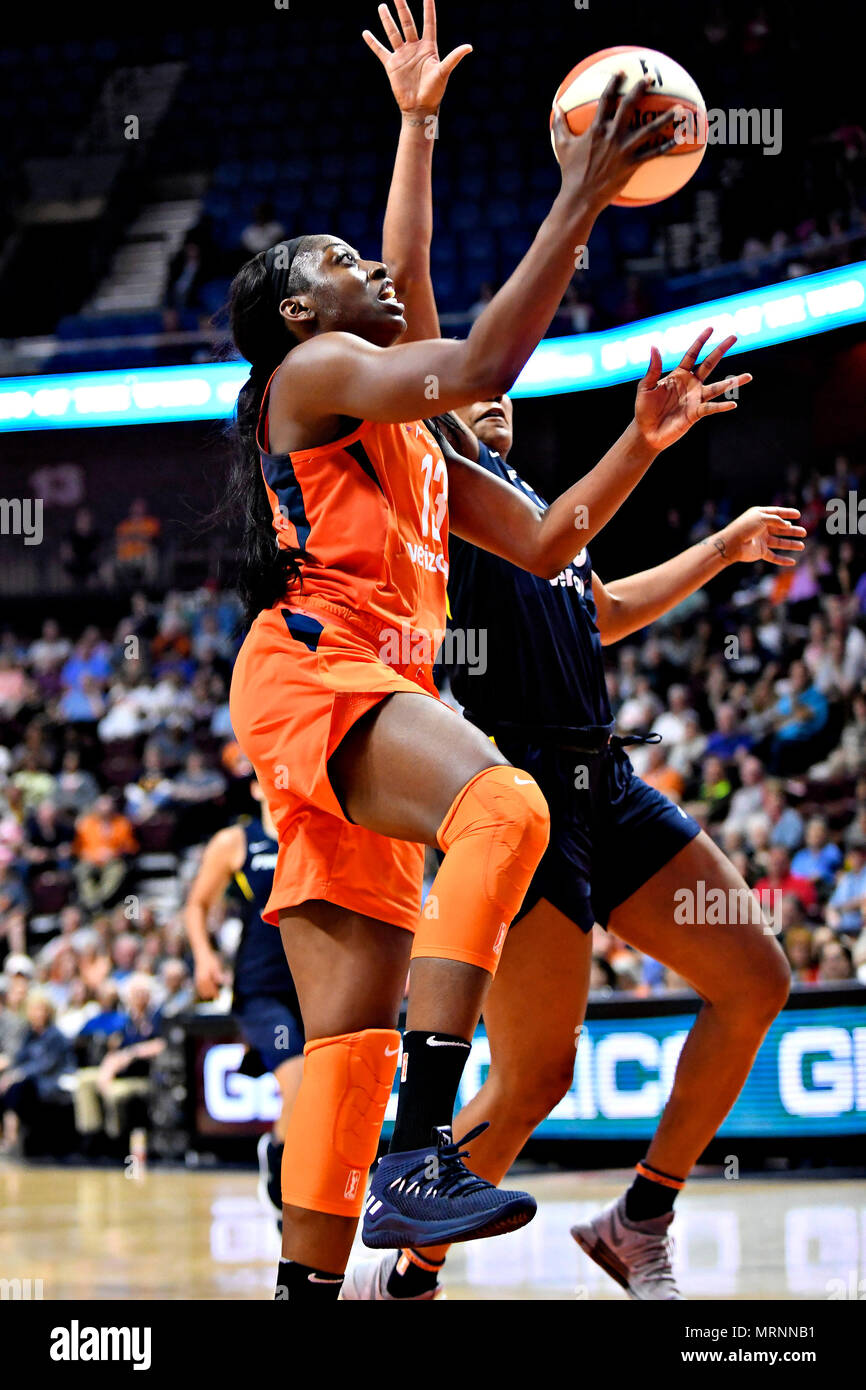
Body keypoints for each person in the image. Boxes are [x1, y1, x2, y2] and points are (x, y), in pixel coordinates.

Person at [225, 0, 697, 1300]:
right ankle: (424, 1150)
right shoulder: (311, 374)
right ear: (290, 311)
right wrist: (578, 201)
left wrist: (643, 442)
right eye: (330, 259)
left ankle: (307, 1285)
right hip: (318, 670)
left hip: (356, 696)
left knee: (348, 1043)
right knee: (504, 804)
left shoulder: (425, 453)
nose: (361, 273)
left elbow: (552, 544)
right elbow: (478, 344)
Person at [342, 0, 799, 1303]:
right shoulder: (427, 467)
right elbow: (410, 281)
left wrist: (701, 539)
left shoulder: (520, 503)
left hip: (602, 773)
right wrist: (419, 124)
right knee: (534, 1069)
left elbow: (589, 602)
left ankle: (637, 1218)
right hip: (515, 788)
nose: (481, 372)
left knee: (751, 972)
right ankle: (408, 1259)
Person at [185, 780, 304, 1230]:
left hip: (312, 985)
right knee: (299, 1078)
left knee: (319, 1093)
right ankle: (278, 1167)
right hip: (260, 987)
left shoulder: (313, 832)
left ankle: (297, 1173)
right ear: (255, 788)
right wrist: (204, 955)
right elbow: (196, 904)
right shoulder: (237, 841)